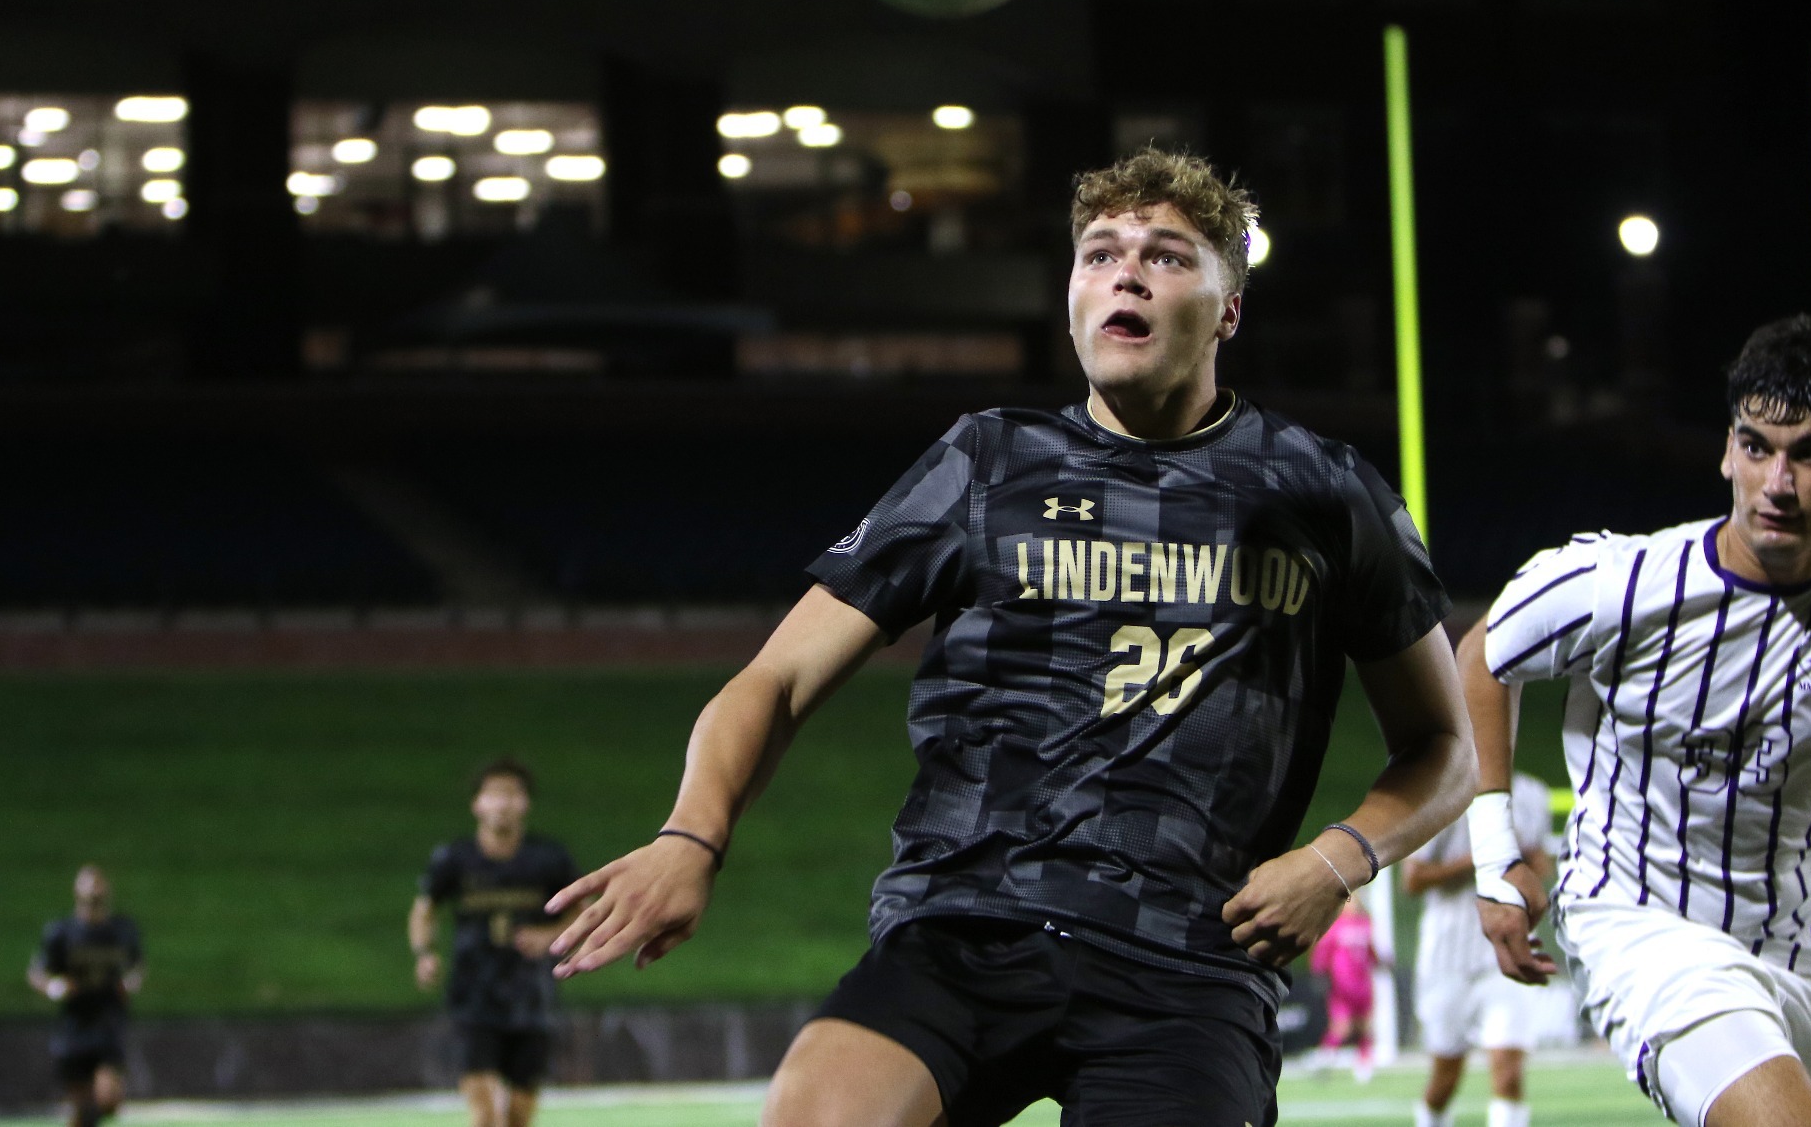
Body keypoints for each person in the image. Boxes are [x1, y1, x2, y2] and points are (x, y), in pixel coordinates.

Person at [544, 147, 1477, 1127]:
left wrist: (1333, 859)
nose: (1123, 273)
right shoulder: (987, 461)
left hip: (1187, 961)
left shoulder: (1323, 491)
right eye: (1098, 253)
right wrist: (691, 834)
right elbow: (775, 677)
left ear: (1227, 309)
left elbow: (1443, 747)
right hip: (965, 922)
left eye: (1163, 255)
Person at [1461, 314, 1811, 1127]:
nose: (1776, 483)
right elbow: (1482, 653)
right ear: (1726, 450)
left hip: (1807, 956)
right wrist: (1492, 852)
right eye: (1756, 447)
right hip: (1646, 922)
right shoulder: (1625, 582)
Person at [411, 757, 579, 1127]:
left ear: (525, 803)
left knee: (518, 1117)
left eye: (512, 794)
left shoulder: (548, 859)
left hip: (532, 997)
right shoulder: (455, 859)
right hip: (474, 997)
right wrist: (425, 953)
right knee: (486, 1117)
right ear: (477, 804)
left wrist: (548, 936)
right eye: (494, 794)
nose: (503, 803)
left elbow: (582, 911)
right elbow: (424, 910)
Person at [1402, 769, 1554, 1127]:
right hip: (1447, 957)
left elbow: (1541, 863)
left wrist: (1525, 863)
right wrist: (1482, 858)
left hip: (1507, 949)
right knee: (1445, 1076)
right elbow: (1413, 879)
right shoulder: (1442, 792)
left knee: (1508, 1071)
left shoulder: (1532, 792)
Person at [26, 865, 143, 1127]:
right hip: (75, 1027)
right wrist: (55, 987)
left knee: (108, 1100)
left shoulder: (122, 930)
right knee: (82, 1110)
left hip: (108, 1022)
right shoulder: (61, 933)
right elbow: (37, 974)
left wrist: (131, 982)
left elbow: (137, 966)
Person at [1307, 895, 1385, 1083]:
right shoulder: (1336, 925)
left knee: (1365, 1027)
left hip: (1363, 986)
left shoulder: (1366, 923)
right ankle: (1324, 1060)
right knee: (1341, 1027)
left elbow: (1371, 952)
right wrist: (1319, 972)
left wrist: (1381, 962)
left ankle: (1364, 1067)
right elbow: (1323, 952)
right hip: (1342, 986)